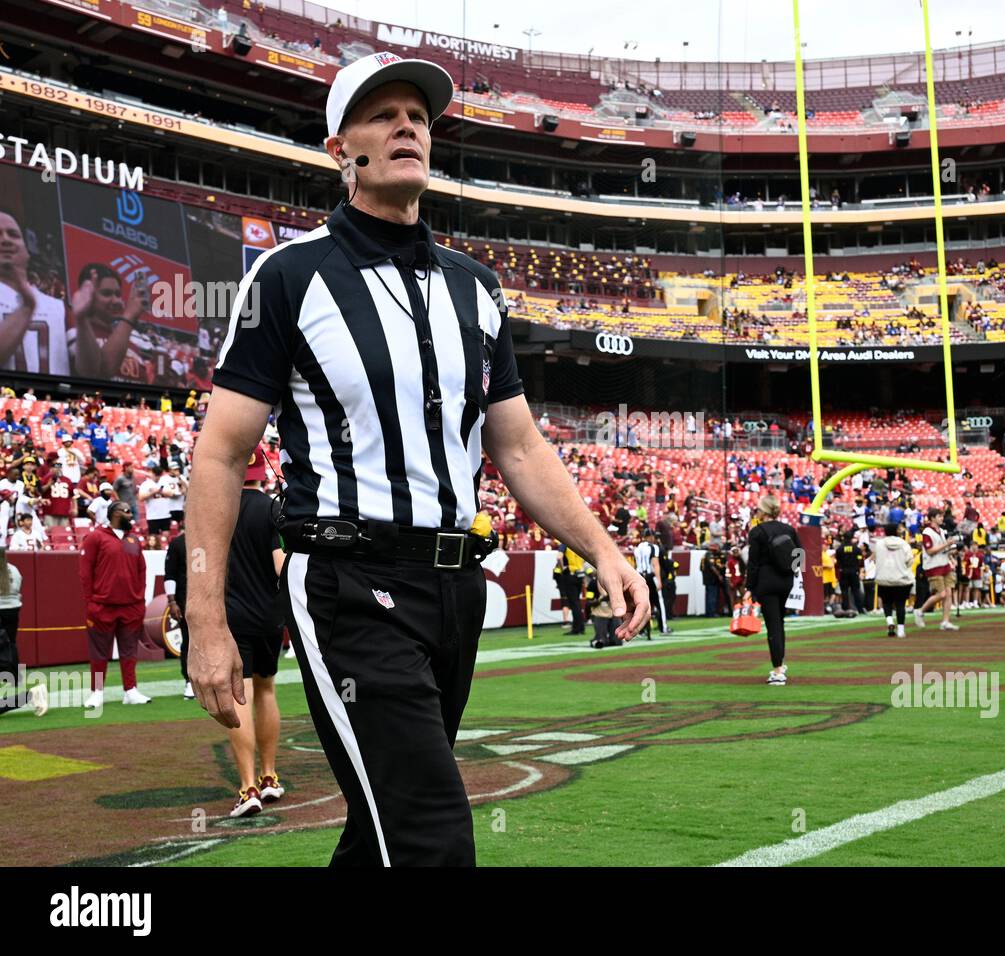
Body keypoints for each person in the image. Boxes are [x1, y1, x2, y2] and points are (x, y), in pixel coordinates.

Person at [186, 51, 648, 867]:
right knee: (431, 832)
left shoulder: (475, 286)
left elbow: (518, 443)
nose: (409, 126)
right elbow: (220, 456)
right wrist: (206, 617)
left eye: (420, 116)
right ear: (340, 148)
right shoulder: (286, 277)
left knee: (383, 831)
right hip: (348, 582)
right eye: (383, 113)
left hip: (454, 588)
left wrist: (602, 547)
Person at [222, 445, 289, 818]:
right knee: (266, 689)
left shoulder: (219, 508)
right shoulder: (271, 508)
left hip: (232, 617)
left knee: (239, 695)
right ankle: (269, 775)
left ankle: (248, 786)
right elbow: (282, 568)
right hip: (269, 616)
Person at [79, 499, 151, 707]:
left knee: (129, 651)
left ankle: (130, 690)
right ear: (115, 513)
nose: (131, 515)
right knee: (99, 652)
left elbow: (141, 571)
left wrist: (139, 600)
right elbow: (85, 573)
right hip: (102, 607)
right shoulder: (95, 538)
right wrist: (91, 603)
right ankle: (97, 692)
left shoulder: (134, 540)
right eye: (127, 512)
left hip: (131, 607)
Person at [0, 209, 72, 376]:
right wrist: (27, 308)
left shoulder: (58, 307)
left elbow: (92, 371)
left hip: (56, 400)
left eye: (13, 234)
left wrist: (84, 320)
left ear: (27, 250)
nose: (5, 240)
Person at [743, 496, 798, 685]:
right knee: (779, 622)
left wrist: (749, 587)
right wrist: (792, 572)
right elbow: (800, 554)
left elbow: (753, 563)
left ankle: (777, 670)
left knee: (773, 625)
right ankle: (780, 664)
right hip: (786, 580)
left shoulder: (757, 532)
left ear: (763, 511)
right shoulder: (789, 529)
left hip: (766, 582)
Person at [0, 545, 47, 717]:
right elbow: (18, 588)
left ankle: (28, 692)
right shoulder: (14, 570)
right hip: (13, 610)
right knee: (10, 645)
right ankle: (21, 684)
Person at [915, 507, 959, 631]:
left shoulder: (941, 531)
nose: (942, 518)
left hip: (944, 563)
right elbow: (930, 551)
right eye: (939, 516)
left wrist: (951, 556)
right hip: (933, 565)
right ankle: (920, 611)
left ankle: (945, 621)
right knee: (942, 594)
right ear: (932, 518)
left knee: (948, 593)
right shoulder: (927, 532)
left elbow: (944, 549)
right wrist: (947, 544)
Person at [163, 526, 193, 700]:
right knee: (189, 640)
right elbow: (170, 574)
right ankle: (189, 681)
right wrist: (172, 601)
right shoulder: (178, 543)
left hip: (211, 598)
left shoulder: (210, 539)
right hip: (186, 599)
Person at [873, 522, 915, 638]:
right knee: (900, 604)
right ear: (897, 531)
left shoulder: (879, 544)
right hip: (900, 579)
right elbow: (909, 561)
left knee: (887, 603)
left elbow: (875, 559)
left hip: (884, 579)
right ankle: (901, 629)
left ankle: (890, 622)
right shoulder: (904, 544)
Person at [634, 528, 669, 636]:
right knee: (659, 602)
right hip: (650, 577)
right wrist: (659, 580)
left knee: (641, 604)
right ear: (651, 537)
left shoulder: (637, 548)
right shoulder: (653, 547)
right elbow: (655, 564)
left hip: (639, 577)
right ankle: (663, 627)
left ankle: (640, 630)